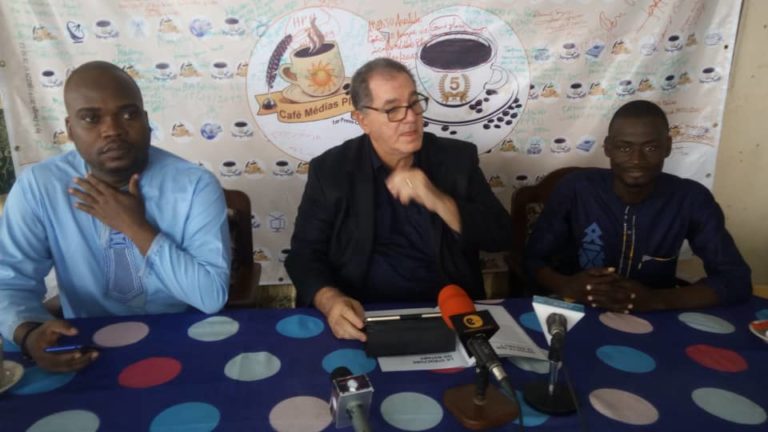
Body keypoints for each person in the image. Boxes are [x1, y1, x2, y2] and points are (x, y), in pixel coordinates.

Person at [0, 61, 231, 372]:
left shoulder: (194, 186)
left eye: (128, 114)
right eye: (91, 118)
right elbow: (9, 283)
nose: (112, 130)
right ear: (70, 129)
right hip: (83, 345)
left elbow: (211, 296)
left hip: (182, 339)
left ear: (146, 121)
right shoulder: (40, 188)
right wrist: (29, 335)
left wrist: (134, 227)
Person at [285, 58, 513, 341]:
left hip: (447, 311)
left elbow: (502, 236)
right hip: (363, 313)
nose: (410, 118)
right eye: (393, 109)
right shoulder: (331, 171)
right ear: (363, 120)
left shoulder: (456, 160)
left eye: (414, 103)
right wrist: (330, 301)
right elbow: (303, 255)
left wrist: (438, 200)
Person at [525, 100, 751, 313]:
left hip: (655, 316)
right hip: (577, 310)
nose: (636, 160)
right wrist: (566, 285)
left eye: (650, 148)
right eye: (624, 148)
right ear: (608, 148)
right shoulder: (576, 188)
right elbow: (531, 259)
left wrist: (656, 300)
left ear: (667, 147)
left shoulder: (691, 199)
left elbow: (736, 279)